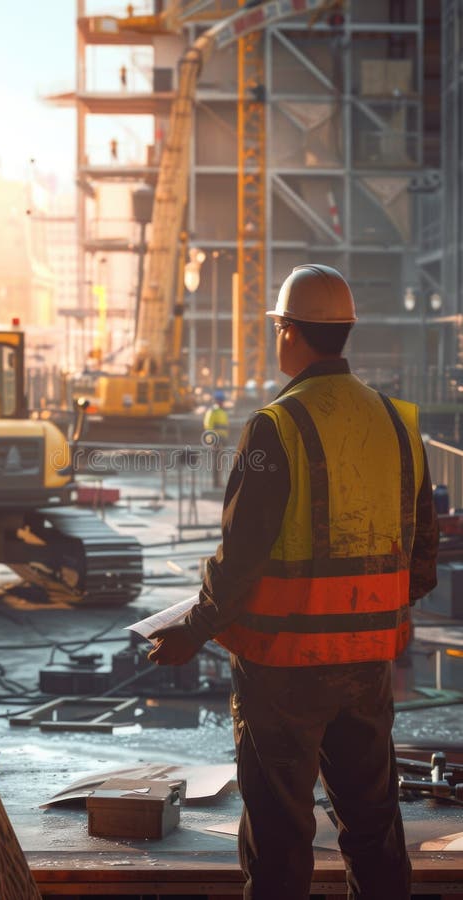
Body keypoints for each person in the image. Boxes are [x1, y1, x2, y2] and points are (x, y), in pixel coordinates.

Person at [149, 264, 439, 900]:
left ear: (288, 332)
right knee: (373, 825)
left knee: (280, 841)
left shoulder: (275, 427)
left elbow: (241, 559)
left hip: (283, 669)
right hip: (366, 666)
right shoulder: (398, 424)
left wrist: (191, 631)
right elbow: (422, 557)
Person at [203, 389, 230, 487]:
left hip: (222, 440)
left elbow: (225, 428)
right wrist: (211, 441)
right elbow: (208, 427)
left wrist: (226, 439)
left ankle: (219, 482)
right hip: (216, 441)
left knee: (220, 463)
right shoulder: (213, 411)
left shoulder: (223, 412)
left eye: (222, 400)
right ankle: (216, 483)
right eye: (220, 400)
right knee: (216, 463)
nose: (221, 402)